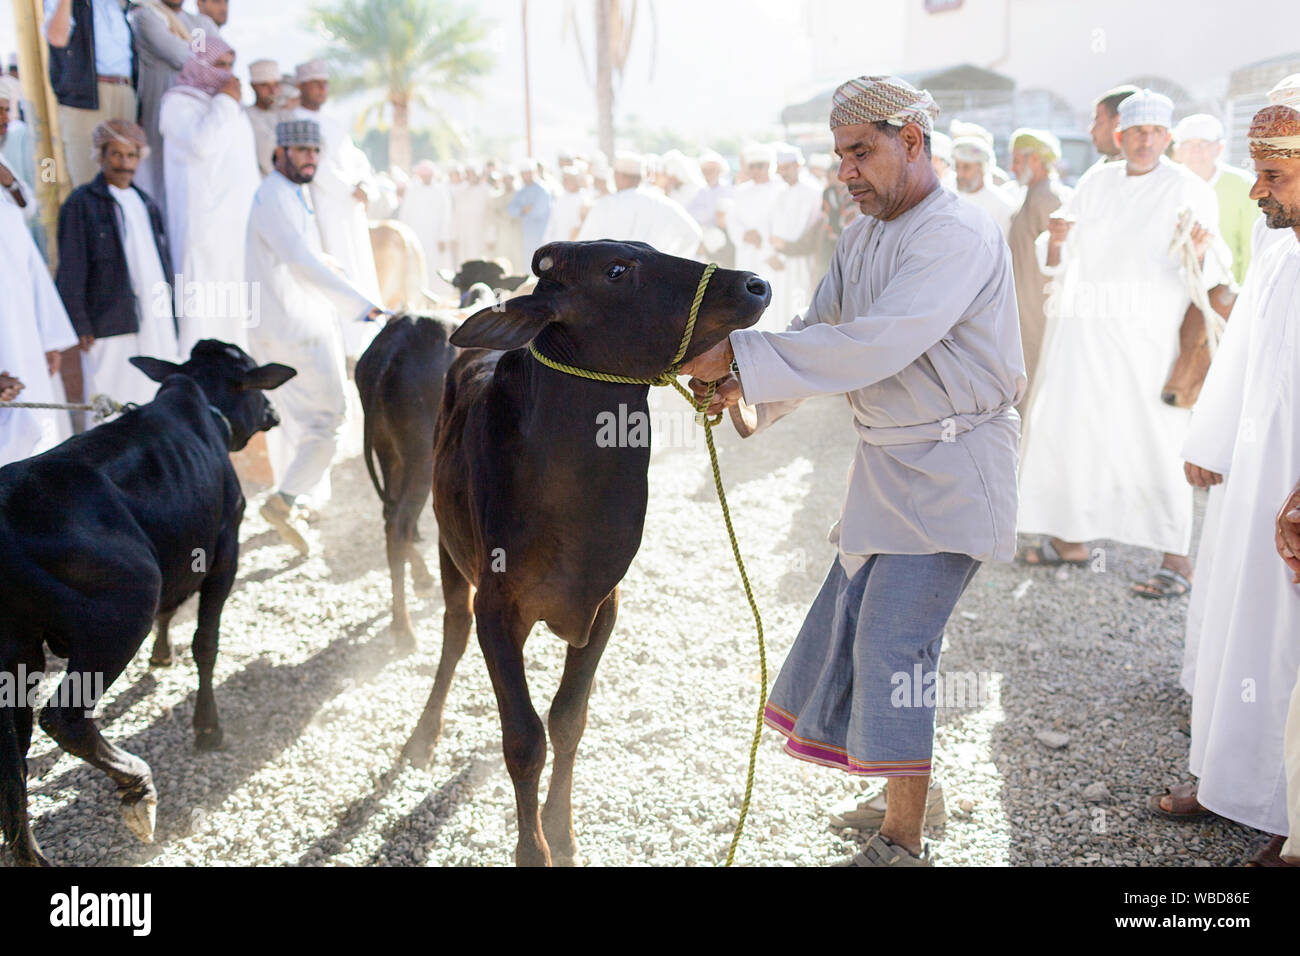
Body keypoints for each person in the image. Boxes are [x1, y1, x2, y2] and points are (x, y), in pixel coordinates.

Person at [682, 75, 1025, 867]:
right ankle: (913, 792)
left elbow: (875, 343)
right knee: (861, 632)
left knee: (893, 644)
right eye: (840, 155)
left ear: (912, 140)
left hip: (952, 466)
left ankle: (903, 843)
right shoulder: (866, 232)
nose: (846, 172)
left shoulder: (957, 234)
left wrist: (743, 356)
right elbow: (820, 332)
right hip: (888, 468)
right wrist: (745, 394)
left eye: (860, 152)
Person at [1016, 90, 1230, 596]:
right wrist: (1059, 239)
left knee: (1156, 439)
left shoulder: (1189, 188)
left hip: (1149, 339)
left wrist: (1198, 253)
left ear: (1168, 137)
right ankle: (1070, 540)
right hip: (1084, 336)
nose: (1146, 141)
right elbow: (1058, 248)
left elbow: (1211, 273)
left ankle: (1176, 561)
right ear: (1120, 135)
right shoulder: (1097, 181)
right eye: (1136, 131)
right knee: (1076, 430)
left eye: (1156, 132)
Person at [1163, 104, 1300, 867]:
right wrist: (1212, 442)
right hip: (1258, 473)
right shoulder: (1281, 249)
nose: (1256, 192)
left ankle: (1290, 812)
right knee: (1237, 621)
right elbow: (1243, 348)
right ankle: (1229, 780)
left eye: (1273, 175)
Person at [245, 118, 381, 554]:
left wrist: (330, 265)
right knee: (332, 422)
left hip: (293, 325)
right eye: (301, 150)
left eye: (314, 150)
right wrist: (364, 307)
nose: (310, 158)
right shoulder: (273, 195)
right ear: (280, 152)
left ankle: (292, 501)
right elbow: (300, 262)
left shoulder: (289, 194)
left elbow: (301, 253)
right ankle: (282, 502)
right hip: (295, 330)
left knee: (304, 426)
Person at [55, 120, 179, 410]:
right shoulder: (81, 203)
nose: (125, 163)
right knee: (111, 403)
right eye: (116, 155)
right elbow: (71, 266)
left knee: (153, 399)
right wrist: (80, 322)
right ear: (100, 155)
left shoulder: (145, 202)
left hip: (155, 320)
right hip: (109, 322)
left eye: (131, 155)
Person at [159, 36, 258, 354]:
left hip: (235, 225)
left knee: (236, 305)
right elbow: (202, 144)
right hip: (201, 225)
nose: (227, 74)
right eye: (219, 65)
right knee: (201, 302)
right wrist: (227, 102)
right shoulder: (178, 102)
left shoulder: (231, 108)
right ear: (199, 64)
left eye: (230, 66)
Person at [292, 59, 382, 358]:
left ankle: (364, 340)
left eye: (325, 83)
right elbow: (314, 166)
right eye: (315, 83)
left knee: (359, 271)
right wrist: (348, 189)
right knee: (338, 272)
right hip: (325, 208)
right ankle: (343, 346)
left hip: (350, 209)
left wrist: (365, 183)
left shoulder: (333, 121)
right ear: (302, 87)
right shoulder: (295, 119)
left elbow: (356, 158)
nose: (322, 89)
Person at [0, 157, 77, 465]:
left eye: (6, 109)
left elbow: (31, 267)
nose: (4, 118)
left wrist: (49, 338)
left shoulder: (5, 168)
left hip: (25, 340)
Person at [127, 0, 219, 215]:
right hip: (160, 113)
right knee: (164, 182)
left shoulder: (201, 22)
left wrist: (190, 47)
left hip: (198, 114)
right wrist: (198, 50)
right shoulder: (147, 16)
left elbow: (219, 57)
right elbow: (183, 56)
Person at [1006, 129, 1070, 412]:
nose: (1012, 168)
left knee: (1036, 387)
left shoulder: (1048, 199)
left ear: (1035, 162)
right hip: (1024, 313)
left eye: (1018, 161)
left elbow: (1062, 258)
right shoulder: (1032, 194)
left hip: (1039, 315)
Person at [43, 0, 137, 187]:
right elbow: (57, 37)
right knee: (88, 176)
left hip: (124, 90)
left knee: (124, 177)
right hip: (87, 95)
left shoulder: (116, 5)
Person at [1173, 113, 1260, 287]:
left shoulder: (1243, 185)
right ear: (1177, 150)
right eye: (1188, 144)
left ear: (1219, 148)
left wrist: (1241, 296)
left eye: (1204, 144)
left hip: (1227, 294)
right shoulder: (1167, 185)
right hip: (1174, 288)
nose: (1196, 151)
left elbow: (1252, 247)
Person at [576, 151, 702, 258]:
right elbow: (694, 234)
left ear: (619, 176)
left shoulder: (605, 204)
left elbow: (584, 244)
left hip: (612, 279)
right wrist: (670, 262)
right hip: (651, 278)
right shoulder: (663, 203)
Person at [765, 144, 823, 331]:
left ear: (798, 165)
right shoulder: (779, 192)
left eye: (787, 168)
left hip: (802, 260)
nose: (783, 173)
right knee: (779, 306)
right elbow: (772, 226)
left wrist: (788, 248)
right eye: (780, 169)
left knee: (800, 304)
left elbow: (812, 229)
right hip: (780, 261)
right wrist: (774, 253)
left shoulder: (814, 191)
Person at [397, 159, 454, 280]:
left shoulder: (441, 190)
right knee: (416, 263)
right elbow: (405, 213)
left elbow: (446, 215)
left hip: (435, 236)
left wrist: (443, 236)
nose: (426, 178)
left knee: (435, 264)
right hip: (416, 233)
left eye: (428, 175)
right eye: (423, 175)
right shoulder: (412, 190)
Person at [952, 136, 1017, 236]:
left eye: (966, 167)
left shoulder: (1002, 204)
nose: (960, 173)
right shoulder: (949, 199)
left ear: (982, 168)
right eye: (957, 167)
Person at [1086, 84, 1139, 175]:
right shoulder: (1099, 172)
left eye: (1098, 122)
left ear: (1119, 122)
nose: (1091, 130)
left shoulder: (1151, 173)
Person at [506, 160, 551, 268]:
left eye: (527, 173)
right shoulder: (521, 191)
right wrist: (522, 210)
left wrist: (522, 211)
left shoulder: (543, 190)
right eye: (523, 174)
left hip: (540, 235)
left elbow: (537, 213)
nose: (525, 176)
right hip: (525, 235)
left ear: (533, 173)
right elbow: (510, 209)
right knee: (528, 265)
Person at [245, 59, 281, 177]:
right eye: (265, 85)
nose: (272, 91)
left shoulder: (285, 114)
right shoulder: (246, 116)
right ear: (253, 86)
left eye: (276, 84)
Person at [540, 164, 588, 245]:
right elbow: (551, 223)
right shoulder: (560, 198)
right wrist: (546, 242)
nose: (565, 182)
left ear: (576, 180)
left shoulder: (585, 199)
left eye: (568, 179)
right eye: (564, 179)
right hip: (558, 246)